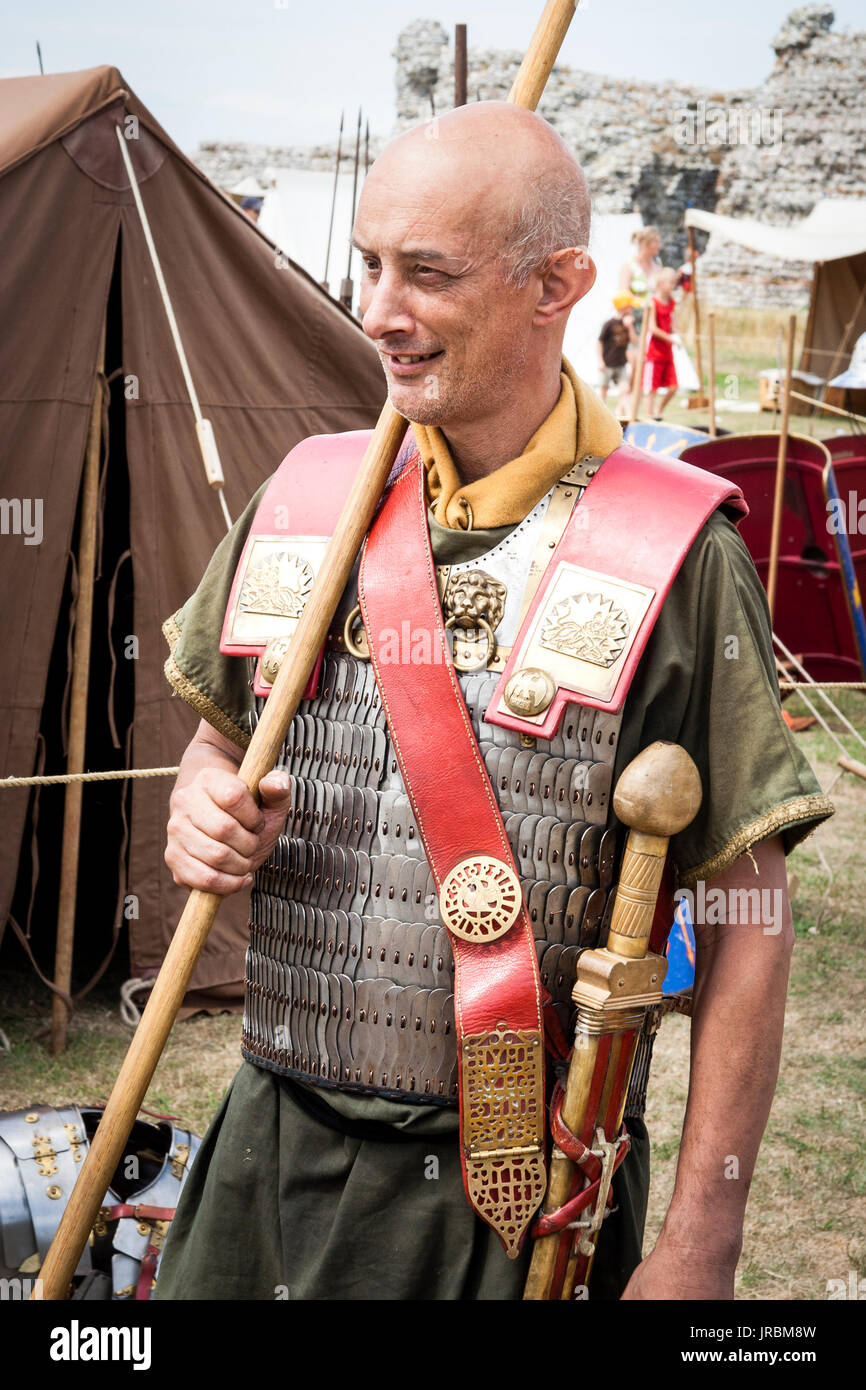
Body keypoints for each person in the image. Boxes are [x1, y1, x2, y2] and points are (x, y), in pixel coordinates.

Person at [155, 102, 833, 1302]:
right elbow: (215, 742)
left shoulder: (673, 552)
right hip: (270, 1141)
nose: (376, 313)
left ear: (556, 285)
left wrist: (701, 1239)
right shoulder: (307, 498)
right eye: (369, 264)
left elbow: (747, 923)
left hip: (510, 1189)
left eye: (427, 273)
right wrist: (202, 804)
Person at [641, 267, 680, 420]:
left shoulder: (672, 302)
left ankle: (658, 412)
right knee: (652, 389)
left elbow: (672, 325)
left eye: (674, 283)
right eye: (670, 283)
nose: (673, 286)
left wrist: (675, 334)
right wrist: (670, 338)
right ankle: (649, 417)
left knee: (673, 386)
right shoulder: (652, 303)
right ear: (661, 283)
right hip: (654, 351)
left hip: (667, 351)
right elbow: (652, 327)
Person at [617, 225, 661, 346]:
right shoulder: (630, 266)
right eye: (656, 241)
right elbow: (623, 296)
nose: (659, 245)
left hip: (655, 320)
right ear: (646, 243)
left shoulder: (658, 265)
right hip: (635, 321)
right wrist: (629, 321)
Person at [597, 305, 636, 405]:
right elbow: (599, 342)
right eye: (629, 307)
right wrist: (600, 360)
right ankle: (602, 415)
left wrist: (630, 327)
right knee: (604, 390)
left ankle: (623, 414)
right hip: (607, 363)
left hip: (621, 364)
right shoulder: (609, 324)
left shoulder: (627, 324)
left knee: (625, 390)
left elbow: (634, 341)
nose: (631, 309)